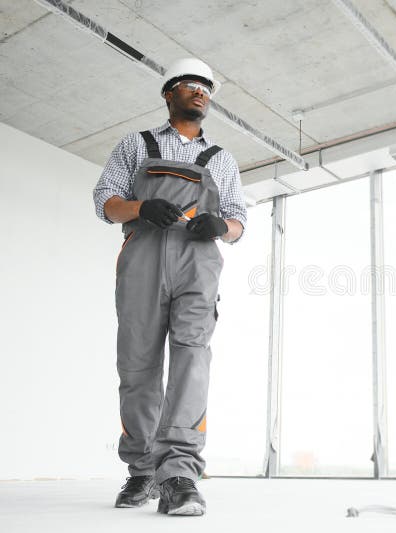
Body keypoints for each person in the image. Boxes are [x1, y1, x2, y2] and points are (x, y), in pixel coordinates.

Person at [92, 58, 247, 516]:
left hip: (197, 261)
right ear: (169, 92)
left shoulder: (221, 159)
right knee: (137, 366)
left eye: (207, 88)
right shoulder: (134, 145)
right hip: (143, 257)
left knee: (191, 361)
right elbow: (106, 201)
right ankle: (142, 470)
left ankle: (179, 473)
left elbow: (239, 219)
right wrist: (140, 207)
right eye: (191, 84)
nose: (201, 92)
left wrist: (222, 225)